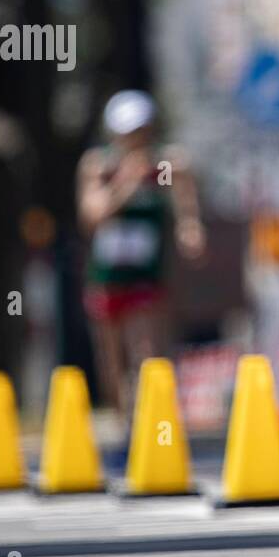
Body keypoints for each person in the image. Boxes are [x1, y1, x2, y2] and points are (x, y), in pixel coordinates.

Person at [76, 90, 205, 419]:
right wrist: (127, 182)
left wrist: (189, 227)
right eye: (128, 131)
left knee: (147, 351)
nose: (136, 138)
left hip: (146, 276)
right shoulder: (99, 165)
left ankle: (153, 424)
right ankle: (124, 427)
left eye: (141, 130)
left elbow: (185, 202)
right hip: (106, 278)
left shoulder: (164, 164)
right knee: (112, 361)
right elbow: (93, 215)